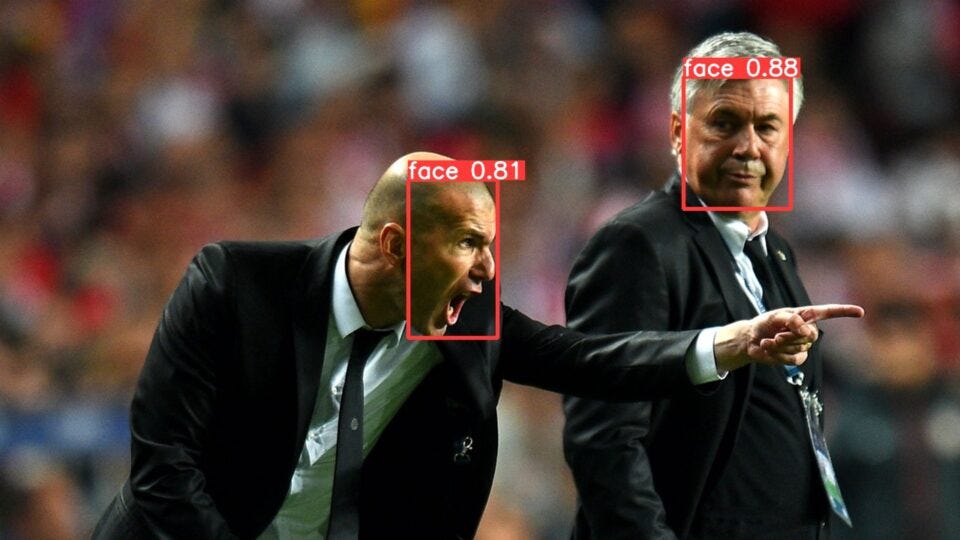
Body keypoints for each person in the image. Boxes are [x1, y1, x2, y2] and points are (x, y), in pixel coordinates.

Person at [92, 151, 860, 539]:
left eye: (492, 244)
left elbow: (584, 358)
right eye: (468, 243)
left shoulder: (464, 319)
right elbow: (164, 470)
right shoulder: (233, 287)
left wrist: (726, 342)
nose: (491, 269)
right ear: (397, 245)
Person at [563, 32, 848, 539]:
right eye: (724, 122)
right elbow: (605, 439)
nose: (748, 146)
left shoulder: (777, 252)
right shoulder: (637, 245)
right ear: (678, 132)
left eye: (767, 126)